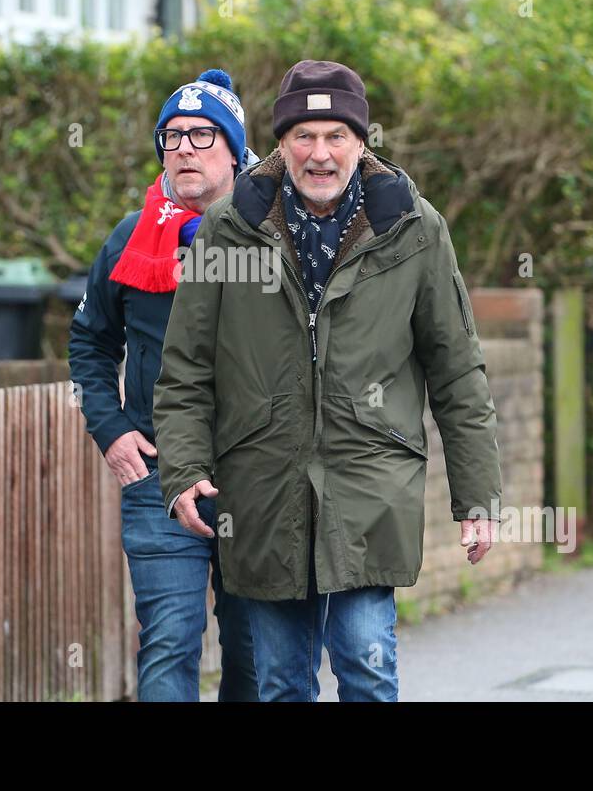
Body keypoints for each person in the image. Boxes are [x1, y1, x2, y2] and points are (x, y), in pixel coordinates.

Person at [153, 59, 502, 701]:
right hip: (261, 488)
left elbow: (457, 372)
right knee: (282, 685)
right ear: (280, 144)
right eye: (304, 136)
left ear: (361, 142)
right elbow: (185, 369)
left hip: (371, 486)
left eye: (336, 136)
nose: (320, 153)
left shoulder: (415, 230)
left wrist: (477, 498)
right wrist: (182, 470)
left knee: (366, 669)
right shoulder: (230, 228)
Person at [68, 68, 259, 701]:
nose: (183, 148)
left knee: (254, 653)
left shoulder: (277, 236)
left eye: (203, 135)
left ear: (235, 149)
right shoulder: (130, 239)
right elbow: (91, 340)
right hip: (157, 472)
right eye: (171, 136)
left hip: (259, 473)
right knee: (169, 644)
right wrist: (111, 430)